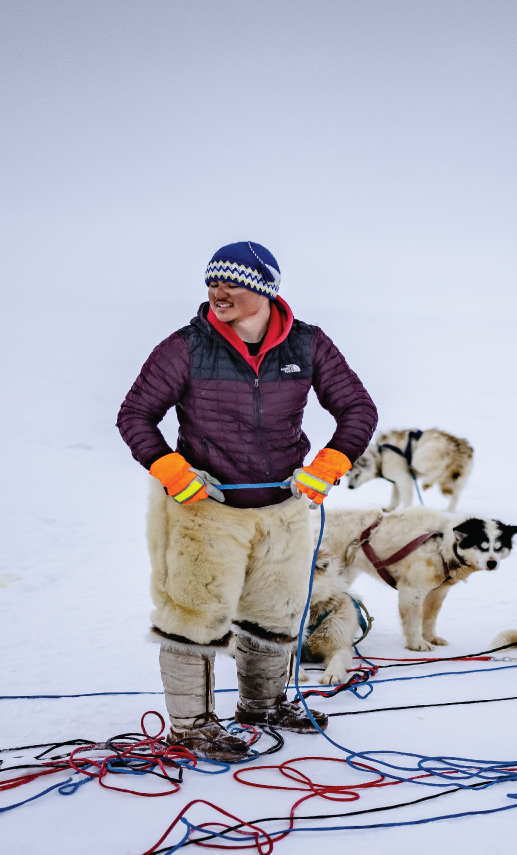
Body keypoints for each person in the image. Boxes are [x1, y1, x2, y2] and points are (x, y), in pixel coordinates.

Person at [116, 242, 377, 763]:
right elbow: (135, 415)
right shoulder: (186, 347)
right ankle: (190, 726)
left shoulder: (307, 346)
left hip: (281, 507)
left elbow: (357, 408)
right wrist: (173, 472)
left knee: (276, 613)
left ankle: (263, 705)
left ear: (264, 289)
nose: (218, 292)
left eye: (231, 283)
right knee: (192, 615)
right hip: (203, 509)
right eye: (212, 283)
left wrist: (328, 466)